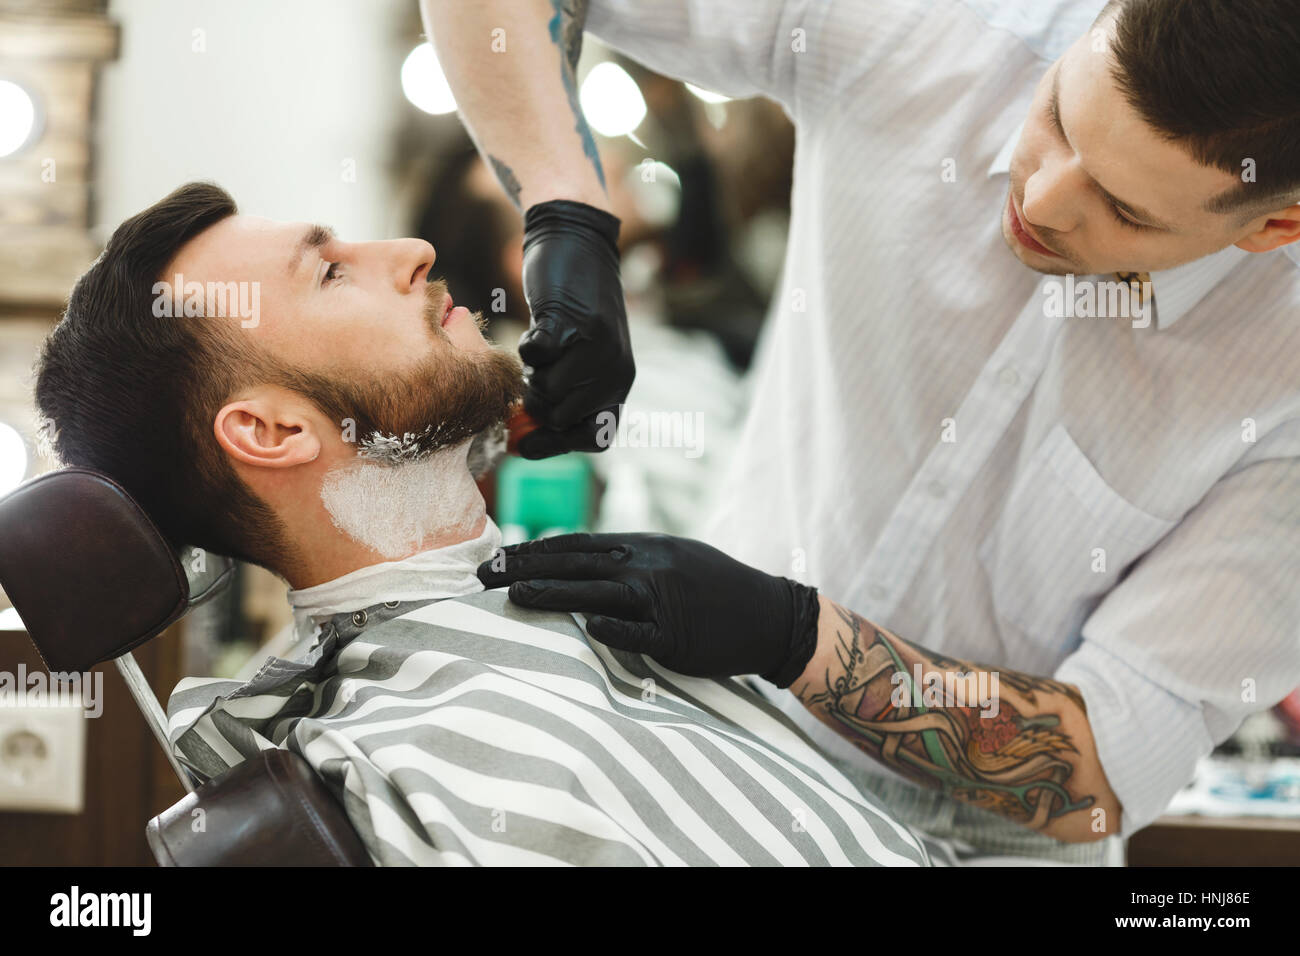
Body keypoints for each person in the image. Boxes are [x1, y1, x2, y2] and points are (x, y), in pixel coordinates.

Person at [434, 0, 1300, 862]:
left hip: (981, 845)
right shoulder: (929, 24)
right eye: (1060, 117)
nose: (1040, 196)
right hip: (711, 743)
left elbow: (1102, 768)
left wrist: (797, 638)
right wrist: (567, 217)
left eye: (1127, 210)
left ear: (1274, 225)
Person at [31, 182, 929, 866]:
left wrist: (792, 635)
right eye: (332, 272)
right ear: (273, 432)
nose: (414, 250)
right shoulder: (415, 780)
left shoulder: (586, 593)